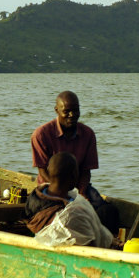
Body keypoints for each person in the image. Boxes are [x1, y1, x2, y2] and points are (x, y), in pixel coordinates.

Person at [31, 91, 120, 233]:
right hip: (51, 189)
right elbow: (43, 171)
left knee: (107, 211)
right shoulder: (41, 134)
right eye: (66, 111)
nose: (72, 115)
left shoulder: (88, 134)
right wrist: (64, 196)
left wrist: (81, 194)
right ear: (57, 110)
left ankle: (109, 241)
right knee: (60, 217)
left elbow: (85, 171)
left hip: (79, 186)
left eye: (76, 110)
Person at [25, 152, 113, 247]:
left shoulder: (37, 195)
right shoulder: (70, 215)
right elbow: (90, 244)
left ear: (48, 171)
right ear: (74, 175)